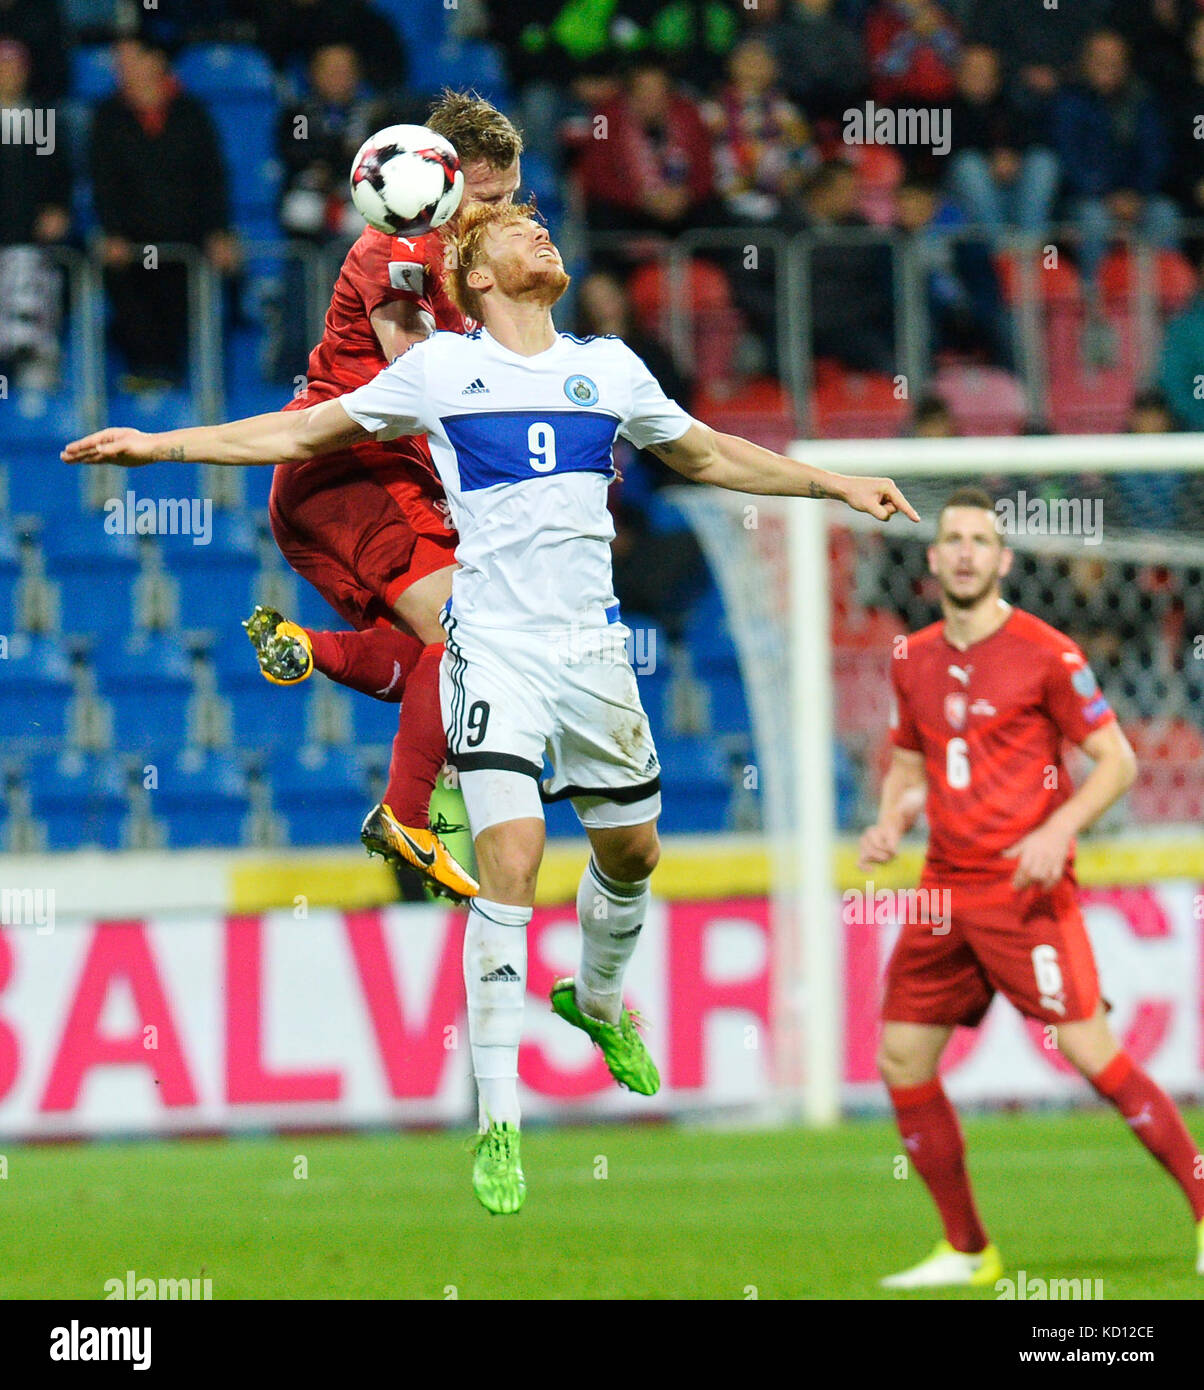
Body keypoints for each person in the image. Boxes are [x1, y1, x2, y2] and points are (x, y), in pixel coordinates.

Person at [63, 202, 921, 1216]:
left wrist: (831, 481)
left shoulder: (609, 366)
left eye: (548, 226)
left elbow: (708, 455)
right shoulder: (441, 373)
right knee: (511, 860)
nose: (544, 236)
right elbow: (301, 429)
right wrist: (160, 448)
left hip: (595, 651)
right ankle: (501, 1121)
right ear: (472, 275)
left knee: (636, 856)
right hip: (495, 650)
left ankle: (596, 1002)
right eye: (519, 231)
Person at [858, 486, 1204, 1287]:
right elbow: (912, 766)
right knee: (903, 1057)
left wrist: (1057, 829)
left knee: (1090, 1050)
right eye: (955, 540)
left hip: (1022, 892)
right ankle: (969, 1250)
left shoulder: (1048, 652)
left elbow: (1119, 760)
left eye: (983, 539)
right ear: (936, 557)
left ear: (1004, 558)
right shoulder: (913, 656)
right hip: (946, 890)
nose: (969, 552)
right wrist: (891, 821)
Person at [245, 91, 524, 903]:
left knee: (449, 662)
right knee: (472, 636)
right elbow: (418, 378)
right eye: (489, 198)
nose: (501, 213)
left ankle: (312, 646)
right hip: (356, 474)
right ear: (439, 178)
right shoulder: (397, 247)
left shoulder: (464, 264)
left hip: (356, 488)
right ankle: (406, 814)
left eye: (511, 198)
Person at [88, 34, 240, 388]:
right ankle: (146, 375)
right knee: (124, 286)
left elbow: (212, 176)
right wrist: (112, 232)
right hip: (132, 242)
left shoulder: (192, 113)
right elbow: (102, 180)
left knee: (204, 284)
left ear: (155, 61)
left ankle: (198, 385)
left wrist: (219, 231)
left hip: (187, 238)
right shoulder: (108, 116)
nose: (120, 70)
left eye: (128, 60)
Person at [0, 37, 70, 392]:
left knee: (34, 348)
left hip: (30, 253)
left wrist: (59, 211)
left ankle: (36, 414)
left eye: (14, 67)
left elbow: (58, 180)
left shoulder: (40, 120)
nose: (7, 75)